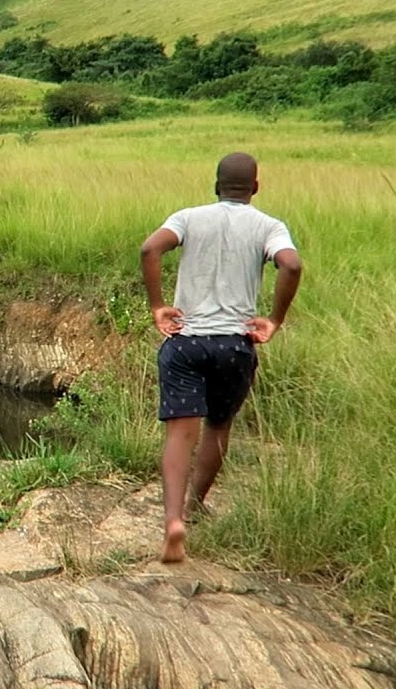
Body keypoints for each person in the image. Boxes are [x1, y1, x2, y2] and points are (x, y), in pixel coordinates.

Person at [139, 152, 303, 563]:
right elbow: (292, 265)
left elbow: (150, 249)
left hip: (185, 341)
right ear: (255, 188)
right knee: (218, 425)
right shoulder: (269, 226)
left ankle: (173, 521)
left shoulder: (189, 217)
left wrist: (159, 306)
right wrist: (275, 320)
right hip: (234, 344)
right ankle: (195, 504)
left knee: (180, 433)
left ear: (216, 185)